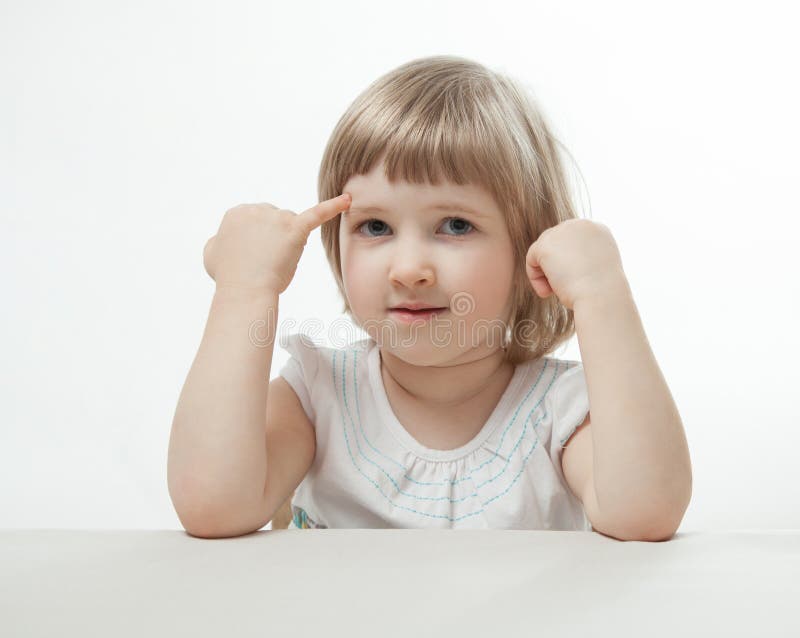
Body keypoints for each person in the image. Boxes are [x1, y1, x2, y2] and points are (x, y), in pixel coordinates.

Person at [169, 55, 692, 539]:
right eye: (375, 226)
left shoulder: (556, 413)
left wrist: (603, 296)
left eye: (455, 224)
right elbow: (213, 505)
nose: (410, 269)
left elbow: (643, 513)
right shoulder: (320, 395)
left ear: (530, 248)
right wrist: (243, 291)